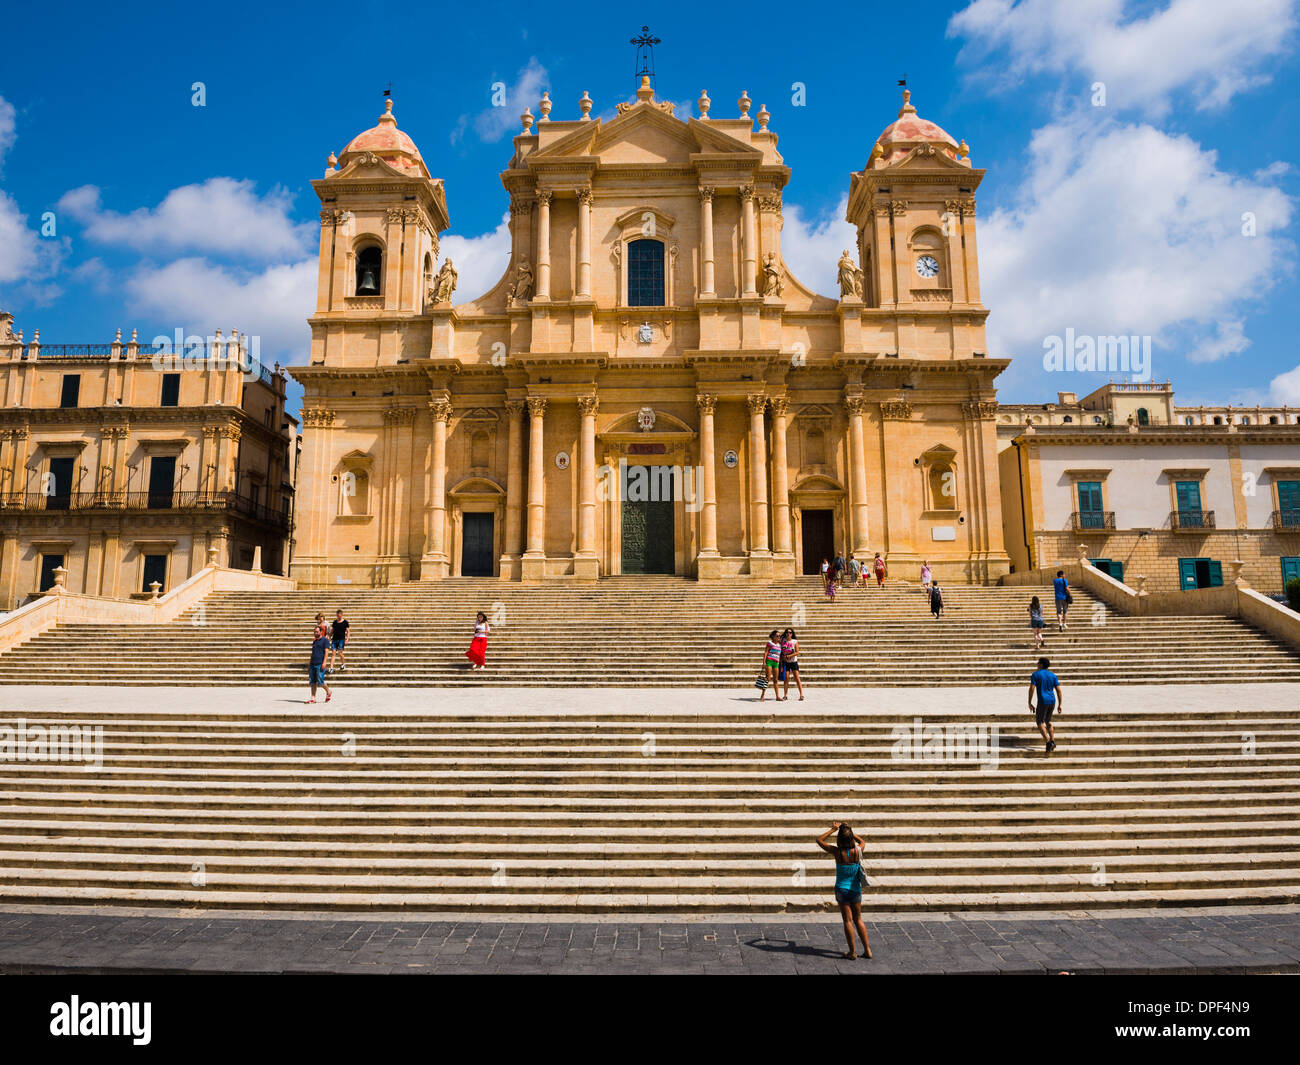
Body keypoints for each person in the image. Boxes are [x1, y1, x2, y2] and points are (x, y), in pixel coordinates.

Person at [816, 822, 871, 959]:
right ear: (851, 837)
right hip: (855, 889)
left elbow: (819, 840)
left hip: (841, 889)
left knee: (847, 920)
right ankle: (867, 950)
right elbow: (863, 841)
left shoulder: (837, 852)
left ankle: (852, 952)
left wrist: (834, 829)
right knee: (858, 919)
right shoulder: (858, 850)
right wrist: (850, 831)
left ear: (839, 839)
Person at [1029, 656, 1062, 753]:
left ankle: (1048, 742)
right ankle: (1053, 740)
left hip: (1043, 701)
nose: (1036, 664)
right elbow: (1059, 690)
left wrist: (1029, 702)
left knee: (1039, 722)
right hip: (1052, 700)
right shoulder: (1053, 675)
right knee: (1048, 721)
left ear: (1041, 664)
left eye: (1038, 663)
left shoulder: (1035, 675)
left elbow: (1031, 689)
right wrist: (1060, 704)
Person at [308, 625, 332, 704]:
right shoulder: (314, 641)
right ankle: (313, 698)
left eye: (317, 631)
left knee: (320, 681)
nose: (315, 633)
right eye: (315, 632)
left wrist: (324, 662)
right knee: (312, 681)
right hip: (312, 663)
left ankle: (328, 691)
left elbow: (326, 652)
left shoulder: (325, 640)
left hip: (320, 663)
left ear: (321, 632)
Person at [780, 627, 804, 701]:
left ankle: (801, 695)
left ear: (792, 634)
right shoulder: (782, 640)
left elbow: (797, 652)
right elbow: (780, 650)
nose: (788, 633)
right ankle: (785, 695)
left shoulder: (794, 641)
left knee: (797, 678)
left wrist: (788, 656)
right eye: (787, 632)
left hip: (793, 662)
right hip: (786, 662)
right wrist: (781, 660)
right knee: (786, 679)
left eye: (790, 632)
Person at [760, 629, 783, 701]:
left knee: (776, 680)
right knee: (767, 678)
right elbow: (766, 652)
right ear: (773, 636)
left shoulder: (780, 645)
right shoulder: (769, 643)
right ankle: (762, 695)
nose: (779, 637)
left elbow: (780, 656)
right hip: (769, 661)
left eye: (779, 636)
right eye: (777, 636)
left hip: (776, 663)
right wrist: (764, 662)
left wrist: (781, 665)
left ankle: (777, 696)